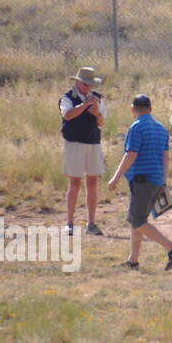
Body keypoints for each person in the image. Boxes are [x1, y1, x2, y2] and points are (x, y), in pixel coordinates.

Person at [107, 94, 172, 271]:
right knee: (137, 219)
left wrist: (115, 177)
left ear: (133, 109)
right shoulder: (161, 128)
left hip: (142, 180)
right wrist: (163, 181)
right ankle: (133, 260)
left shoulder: (137, 127)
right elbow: (166, 157)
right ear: (150, 109)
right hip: (155, 180)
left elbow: (130, 154)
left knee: (137, 220)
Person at [61, 66, 107, 236]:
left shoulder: (98, 99)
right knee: (74, 183)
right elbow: (67, 115)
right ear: (78, 82)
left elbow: (101, 122)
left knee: (92, 183)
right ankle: (70, 223)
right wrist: (85, 105)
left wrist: (96, 114)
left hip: (93, 143)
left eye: (90, 84)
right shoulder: (67, 97)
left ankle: (92, 223)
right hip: (74, 144)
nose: (89, 88)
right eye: (86, 84)